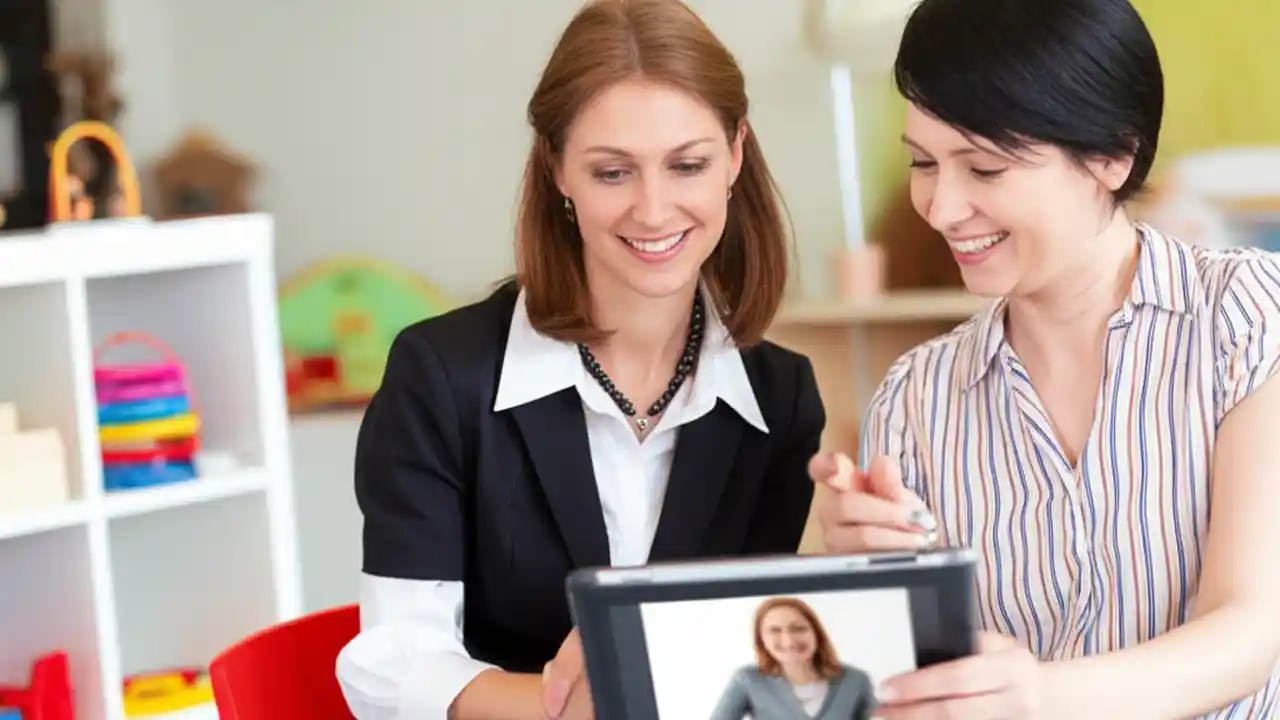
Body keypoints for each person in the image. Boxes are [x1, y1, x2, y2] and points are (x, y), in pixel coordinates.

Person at [334, 1, 826, 718]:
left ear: (735, 155)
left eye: (687, 165)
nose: (653, 210)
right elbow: (392, 665)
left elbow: (746, 655)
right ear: (557, 167)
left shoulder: (781, 399)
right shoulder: (440, 376)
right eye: (612, 172)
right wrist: (570, 707)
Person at [809, 0, 1280, 717]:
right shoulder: (914, 397)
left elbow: (1249, 633)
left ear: (1113, 155)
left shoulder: (1244, 315)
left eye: (985, 168)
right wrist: (870, 574)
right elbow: (918, 680)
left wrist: (1038, 695)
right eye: (924, 164)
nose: (941, 208)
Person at [709, 597, 876, 720]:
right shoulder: (748, 680)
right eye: (775, 630)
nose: (788, 641)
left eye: (799, 629)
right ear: (761, 640)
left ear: (816, 633)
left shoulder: (855, 681)